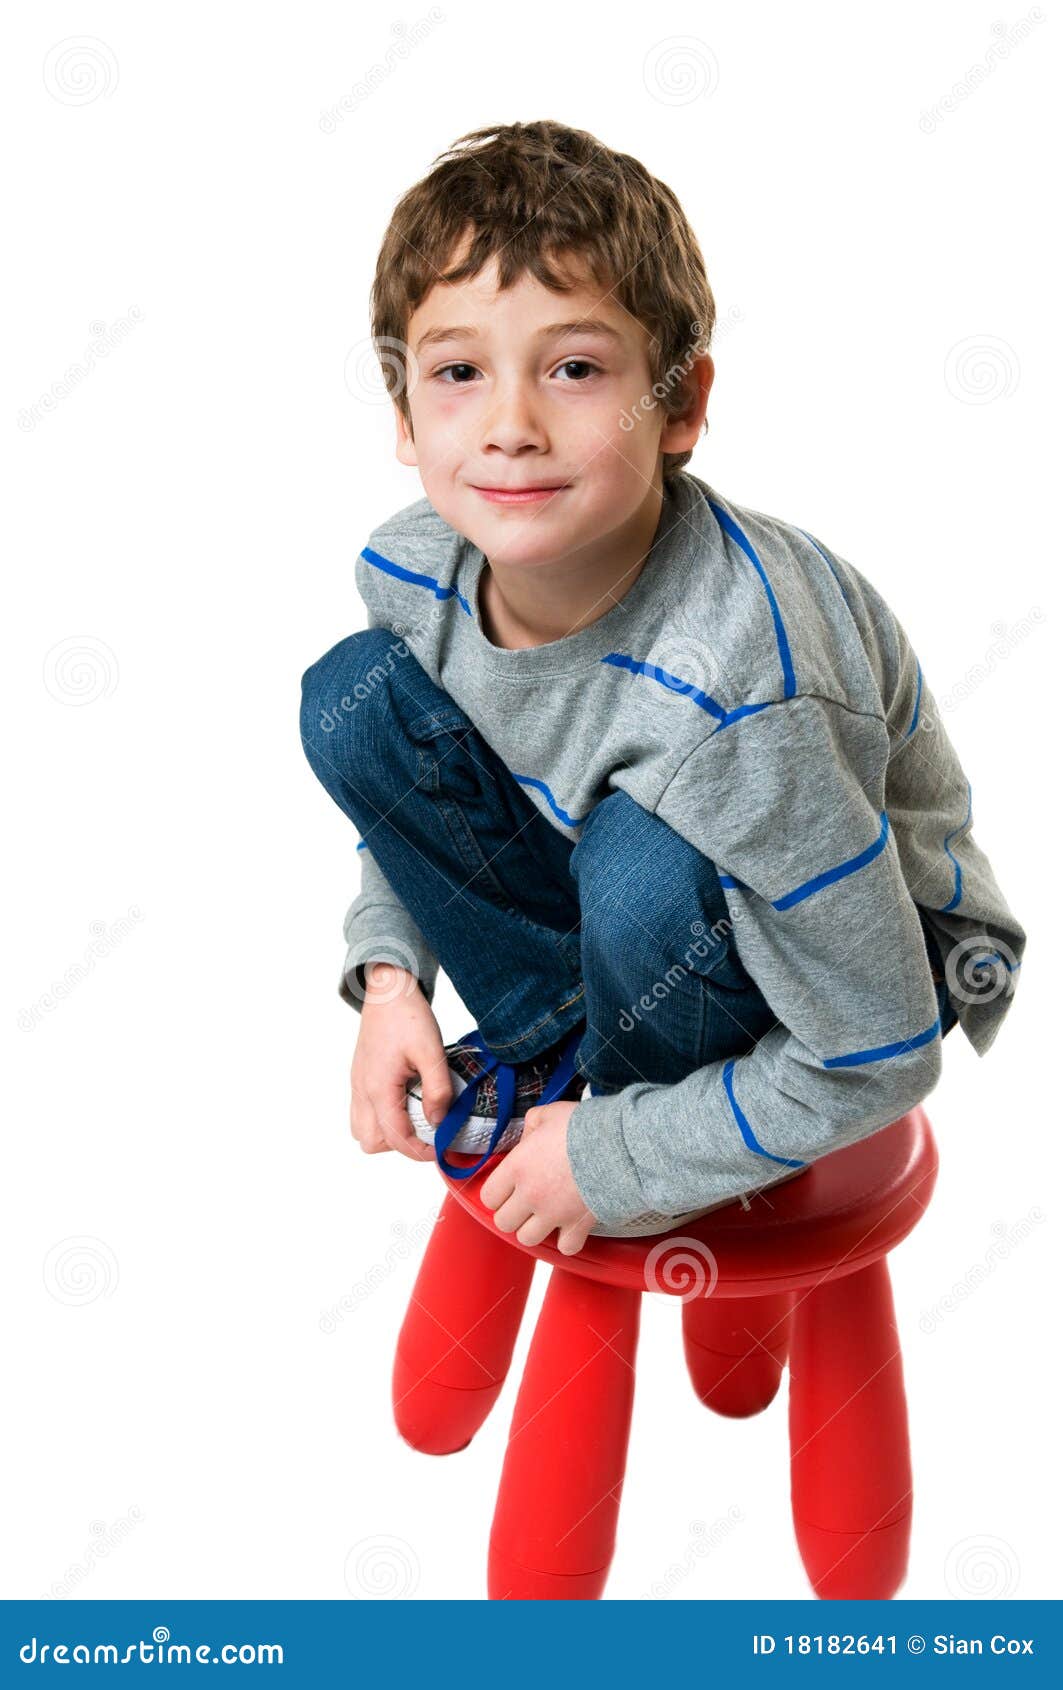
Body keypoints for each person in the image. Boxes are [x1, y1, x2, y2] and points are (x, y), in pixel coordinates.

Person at [300, 119, 1025, 1256]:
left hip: (850, 965)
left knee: (644, 855)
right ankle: (567, 1028)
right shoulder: (411, 571)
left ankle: (651, 1108)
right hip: (640, 886)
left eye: (575, 370)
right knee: (355, 697)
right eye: (458, 373)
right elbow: (425, 793)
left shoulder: (744, 701)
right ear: (403, 413)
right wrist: (392, 976)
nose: (510, 428)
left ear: (679, 406)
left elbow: (881, 1051)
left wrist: (616, 1156)